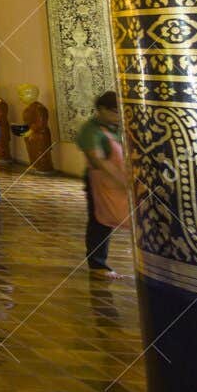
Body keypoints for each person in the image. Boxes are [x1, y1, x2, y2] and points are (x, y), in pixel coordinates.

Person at [77, 91, 128, 278]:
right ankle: (97, 264)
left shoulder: (119, 127)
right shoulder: (90, 130)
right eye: (115, 112)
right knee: (100, 221)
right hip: (99, 183)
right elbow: (96, 159)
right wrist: (118, 179)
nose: (119, 116)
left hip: (121, 182)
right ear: (102, 110)